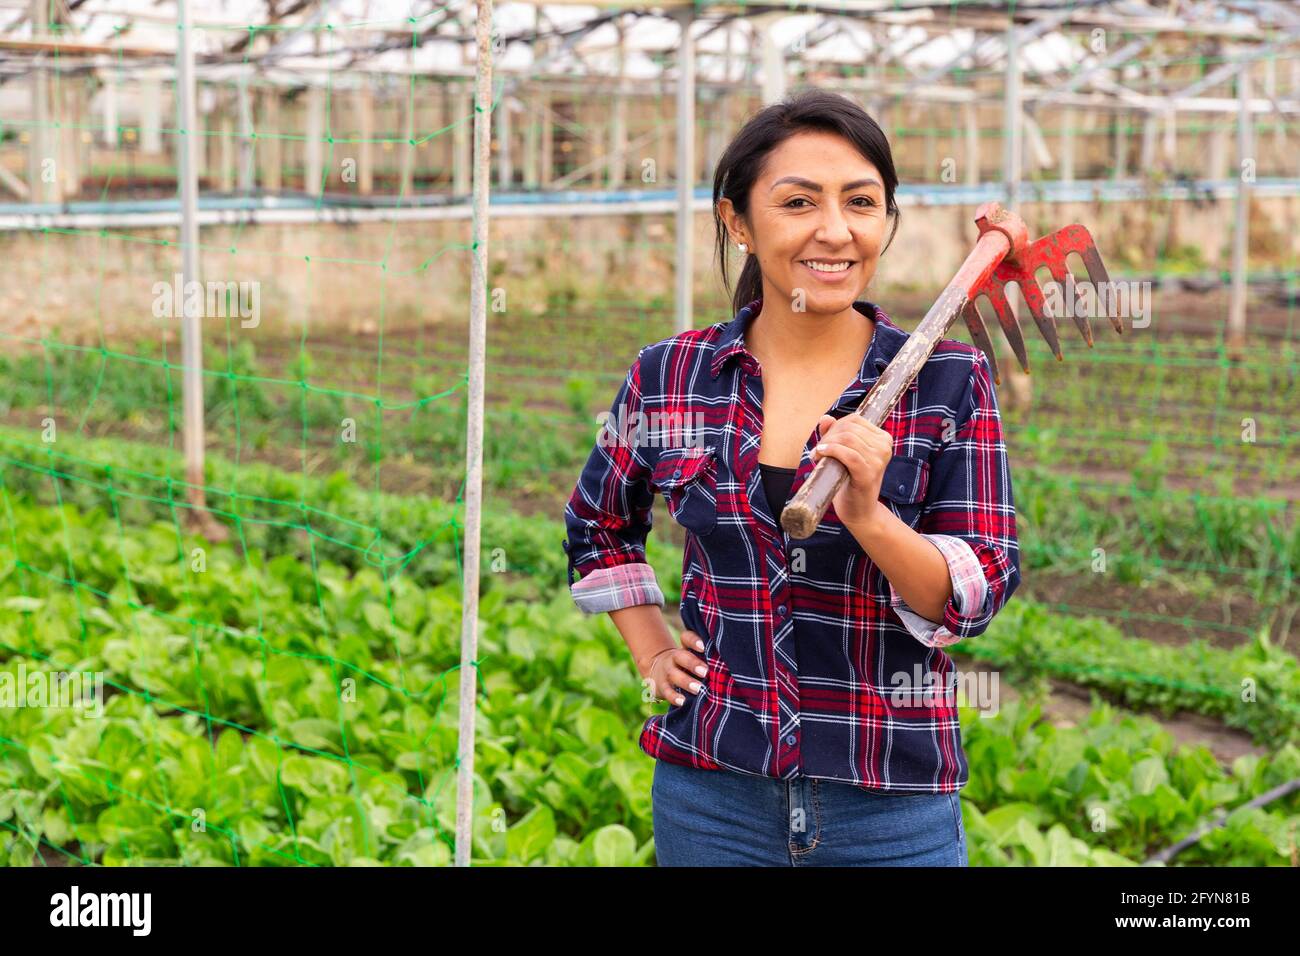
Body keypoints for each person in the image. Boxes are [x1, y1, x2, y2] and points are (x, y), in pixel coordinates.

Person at [562, 90, 1020, 866]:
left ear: (887, 221)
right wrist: (648, 652)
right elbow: (598, 526)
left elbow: (974, 592)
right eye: (798, 201)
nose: (834, 231)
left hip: (890, 802)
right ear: (738, 222)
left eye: (861, 202)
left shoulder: (949, 379)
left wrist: (872, 517)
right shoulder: (670, 375)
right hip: (712, 795)